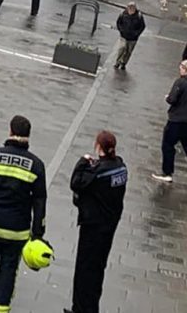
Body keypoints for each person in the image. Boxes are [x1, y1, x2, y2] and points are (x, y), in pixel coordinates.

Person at [0, 115, 47, 313]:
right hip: (17, 230)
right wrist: (38, 233)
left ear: (10, 131)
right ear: (28, 136)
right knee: (8, 270)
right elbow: (40, 201)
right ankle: (0, 309)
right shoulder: (36, 165)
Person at [65, 131, 128, 313]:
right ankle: (90, 307)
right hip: (109, 225)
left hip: (93, 227)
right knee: (98, 269)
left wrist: (83, 161)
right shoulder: (121, 167)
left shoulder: (98, 172)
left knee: (85, 270)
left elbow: (76, 182)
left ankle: (81, 308)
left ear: (98, 146)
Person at [152, 60, 187, 189]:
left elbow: (172, 99)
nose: (180, 70)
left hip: (176, 120)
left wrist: (167, 97)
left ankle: (167, 173)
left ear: (185, 69)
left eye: (181, 68)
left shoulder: (181, 82)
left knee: (168, 145)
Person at [114, 2, 146, 70]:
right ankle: (118, 62)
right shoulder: (123, 14)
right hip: (124, 36)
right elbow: (118, 22)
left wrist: (136, 33)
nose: (131, 9)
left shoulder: (139, 16)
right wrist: (121, 30)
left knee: (129, 51)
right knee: (122, 48)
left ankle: (124, 63)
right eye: (129, 7)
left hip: (133, 38)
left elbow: (142, 26)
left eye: (132, 8)